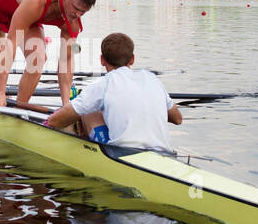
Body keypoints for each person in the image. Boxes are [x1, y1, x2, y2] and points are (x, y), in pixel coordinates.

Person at [46, 32, 181, 152]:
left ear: (102, 60)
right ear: (132, 59)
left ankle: (91, 152)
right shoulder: (152, 79)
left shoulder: (104, 84)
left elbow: (55, 121)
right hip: (164, 154)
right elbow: (177, 119)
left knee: (89, 111)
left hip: (123, 155)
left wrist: (49, 123)